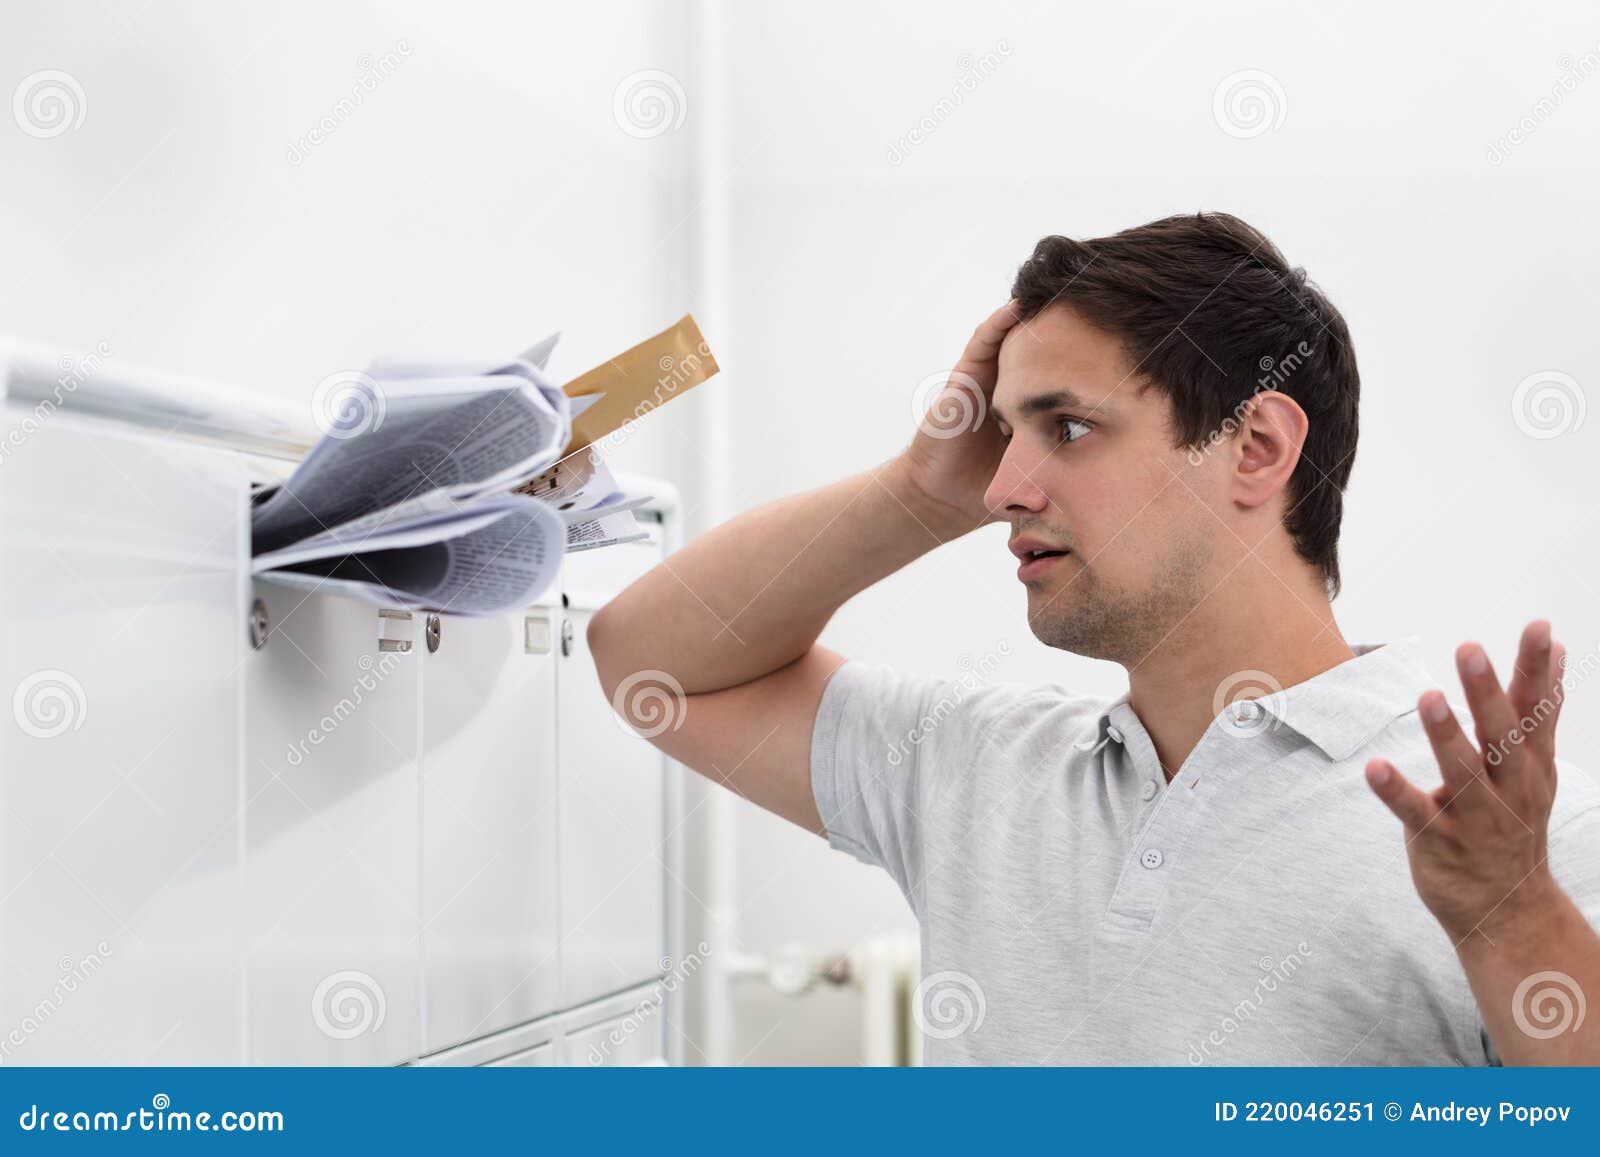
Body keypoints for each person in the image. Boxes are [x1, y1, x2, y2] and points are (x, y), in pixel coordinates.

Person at [587, 212, 1600, 1065]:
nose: (1001, 488)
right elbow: (650, 661)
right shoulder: (971, 767)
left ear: (1254, 448)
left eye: (1065, 427)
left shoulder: (1515, 842)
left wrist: (1509, 919)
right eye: (1000, 433)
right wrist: (914, 493)